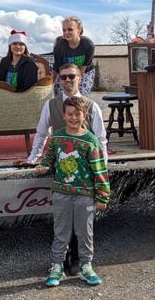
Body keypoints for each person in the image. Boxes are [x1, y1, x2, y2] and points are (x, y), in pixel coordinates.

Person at [36, 97, 110, 287]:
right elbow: (50, 156)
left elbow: (100, 170)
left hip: (85, 195)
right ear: (64, 115)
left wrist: (102, 195)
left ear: (84, 116)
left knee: (84, 233)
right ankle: (57, 266)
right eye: (70, 114)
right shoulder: (58, 137)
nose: (73, 118)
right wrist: (44, 164)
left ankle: (86, 266)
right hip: (61, 193)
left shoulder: (90, 141)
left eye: (77, 114)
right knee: (61, 232)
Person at [18, 63, 107, 165]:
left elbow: (101, 139)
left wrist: (102, 166)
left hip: (86, 164)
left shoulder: (92, 106)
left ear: (79, 79)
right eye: (63, 77)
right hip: (60, 165)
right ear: (60, 81)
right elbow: (41, 134)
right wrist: (31, 159)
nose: (67, 79)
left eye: (71, 76)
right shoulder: (50, 105)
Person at [52, 16, 96, 97]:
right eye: (64, 30)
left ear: (79, 30)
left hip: (84, 71)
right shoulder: (59, 46)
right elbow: (57, 67)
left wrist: (74, 86)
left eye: (70, 29)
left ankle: (80, 108)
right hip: (64, 72)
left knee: (80, 95)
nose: (66, 32)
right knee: (61, 95)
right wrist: (50, 83)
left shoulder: (88, 45)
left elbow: (82, 69)